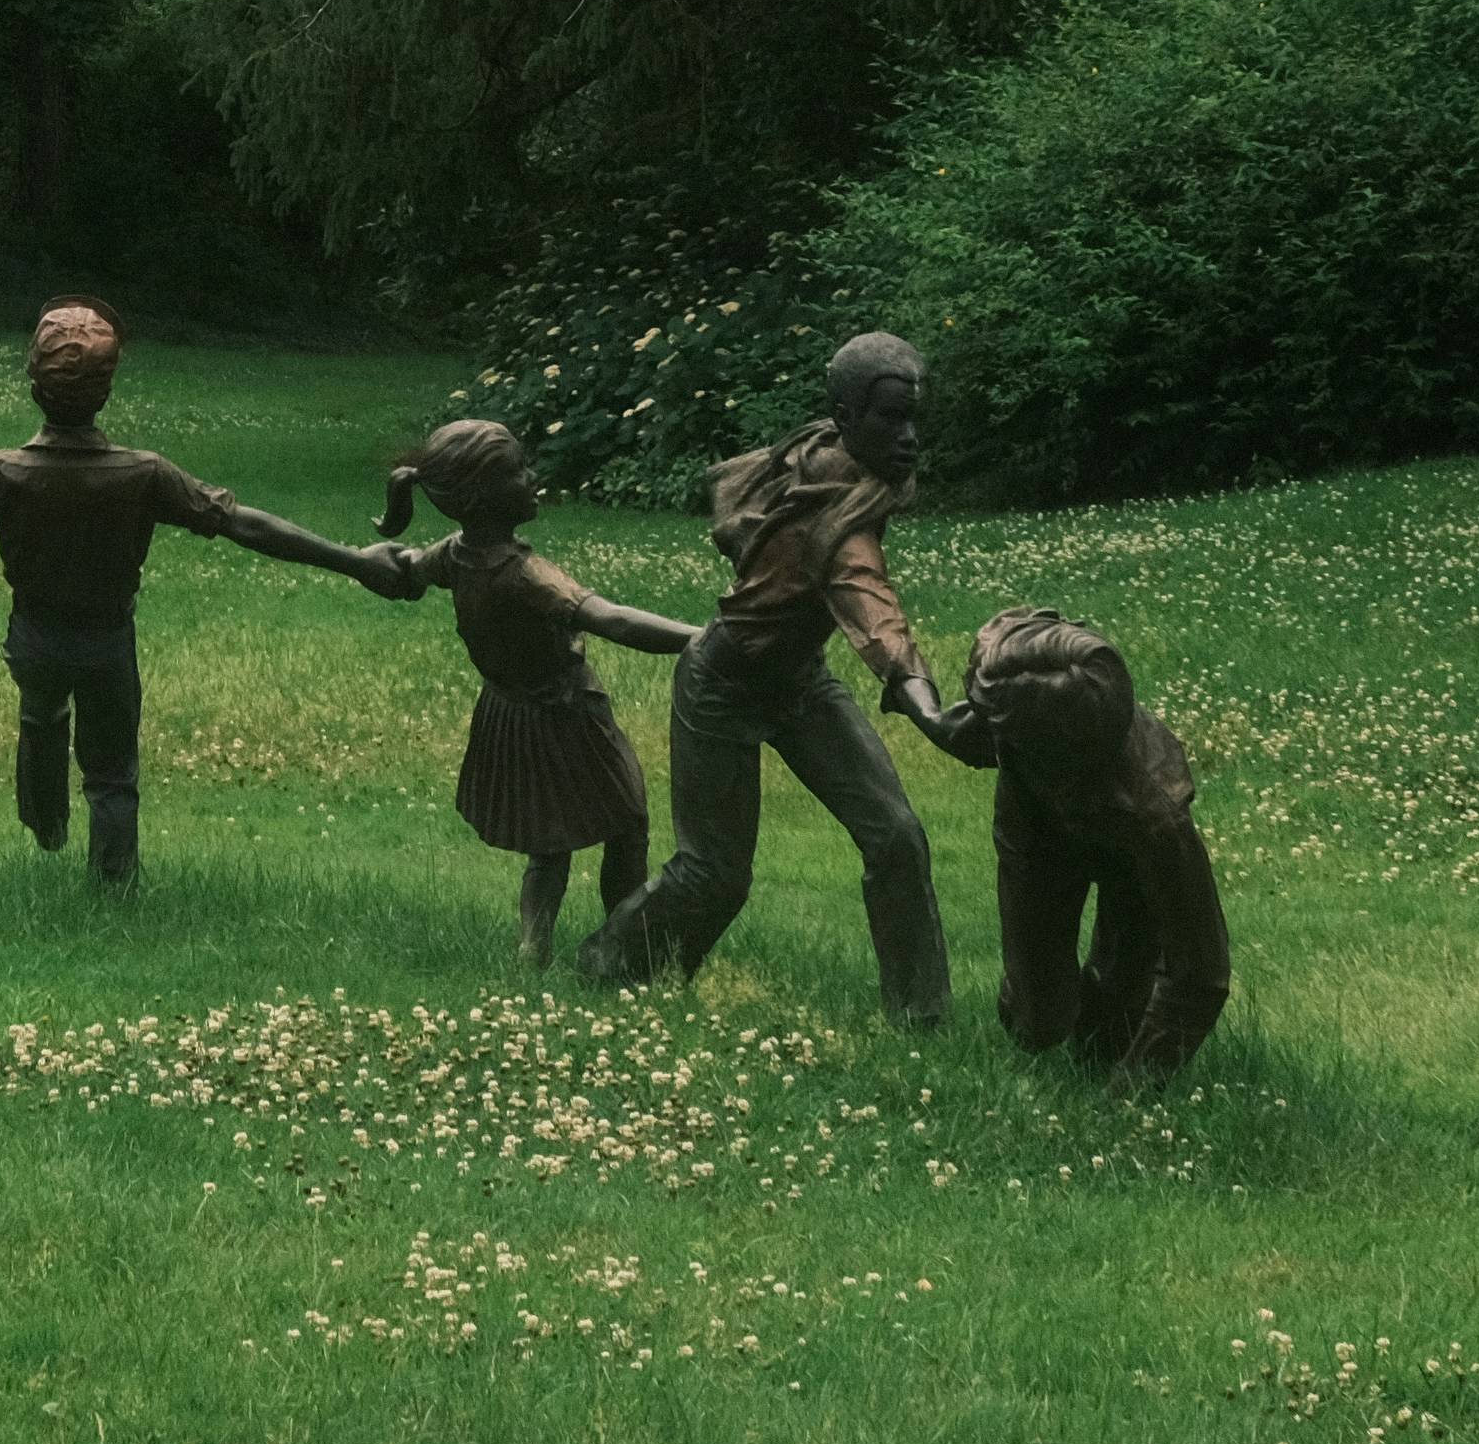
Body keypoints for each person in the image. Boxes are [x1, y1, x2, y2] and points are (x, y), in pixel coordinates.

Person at [0, 300, 421, 885]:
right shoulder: (142, 475)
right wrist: (354, 562)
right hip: (108, 640)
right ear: (107, 394)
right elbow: (247, 525)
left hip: (34, 634)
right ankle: (113, 885)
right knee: (113, 773)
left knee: (40, 712)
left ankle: (46, 823)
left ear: (34, 388)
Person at [574, 331, 954, 1023]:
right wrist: (931, 714)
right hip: (721, 684)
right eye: (889, 419)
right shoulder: (835, 526)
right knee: (716, 874)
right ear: (844, 420)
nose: (908, 438)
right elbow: (876, 617)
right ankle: (608, 964)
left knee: (896, 836)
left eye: (912, 418)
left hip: (799, 684)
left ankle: (920, 1016)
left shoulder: (825, 454)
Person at [370, 417, 699, 961]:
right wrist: (704, 638)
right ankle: (623, 944)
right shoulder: (527, 575)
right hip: (569, 716)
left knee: (549, 844)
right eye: (519, 470)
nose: (533, 477)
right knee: (628, 820)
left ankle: (534, 948)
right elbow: (611, 620)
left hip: (509, 715)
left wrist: (385, 561)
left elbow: (411, 572)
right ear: (481, 496)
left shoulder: (456, 554)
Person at [896, 604, 1233, 1072]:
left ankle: (1103, 1039)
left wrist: (1132, 1096)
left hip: (1129, 856)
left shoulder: (1155, 814)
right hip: (1037, 839)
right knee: (1035, 1019)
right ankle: (1057, 1018)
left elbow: (1201, 977)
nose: (1002, 745)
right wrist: (906, 680)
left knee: (1116, 1006)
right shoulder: (1017, 718)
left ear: (1061, 750)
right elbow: (956, 730)